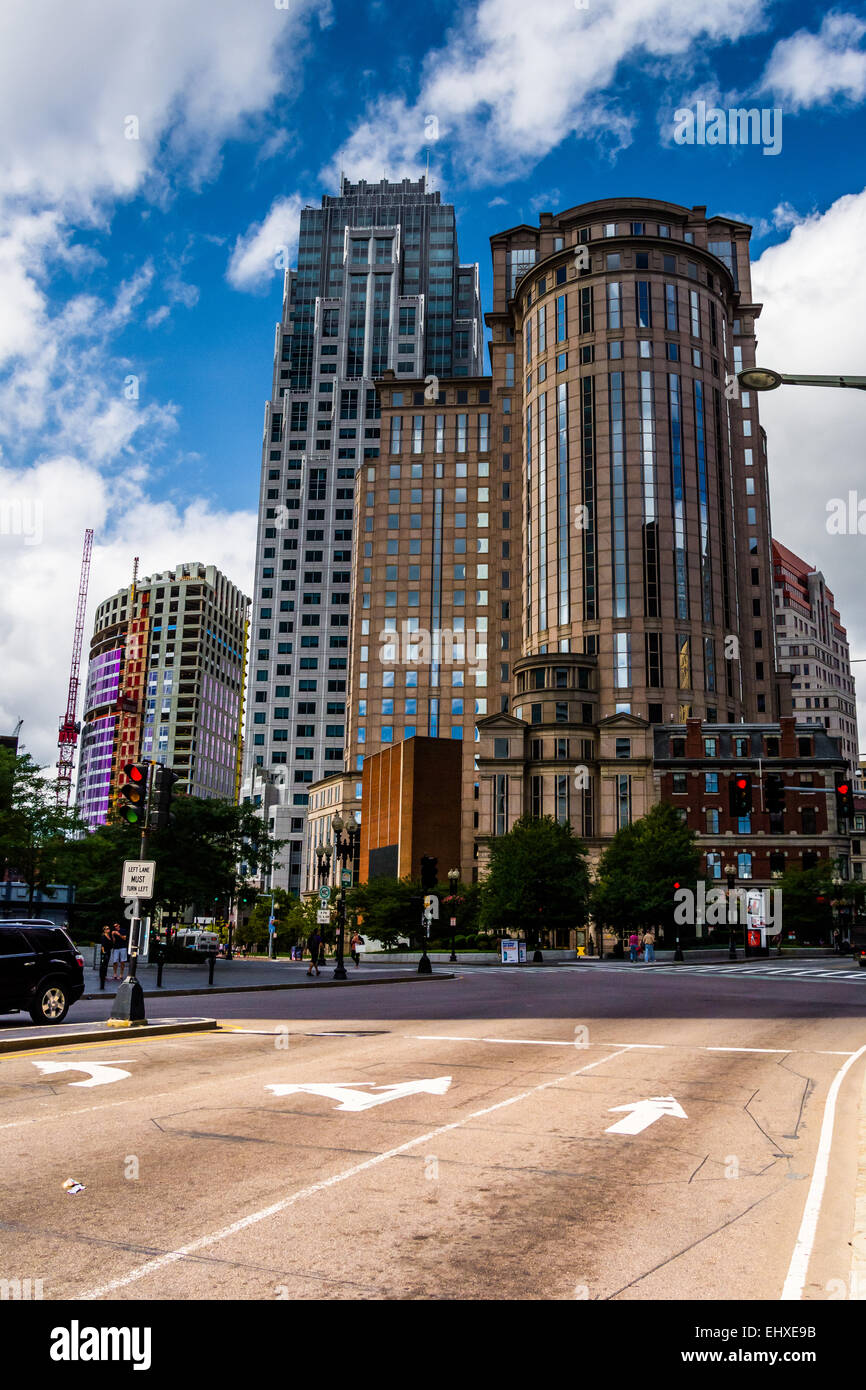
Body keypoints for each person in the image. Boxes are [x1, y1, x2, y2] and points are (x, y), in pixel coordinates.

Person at [98, 924, 112, 990]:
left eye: (108, 928)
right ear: (104, 930)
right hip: (105, 952)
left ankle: (104, 976)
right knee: (103, 964)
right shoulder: (103, 936)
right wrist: (103, 953)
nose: (108, 929)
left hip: (108, 951)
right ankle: (102, 976)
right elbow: (102, 946)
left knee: (106, 964)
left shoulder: (109, 936)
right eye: (106, 928)